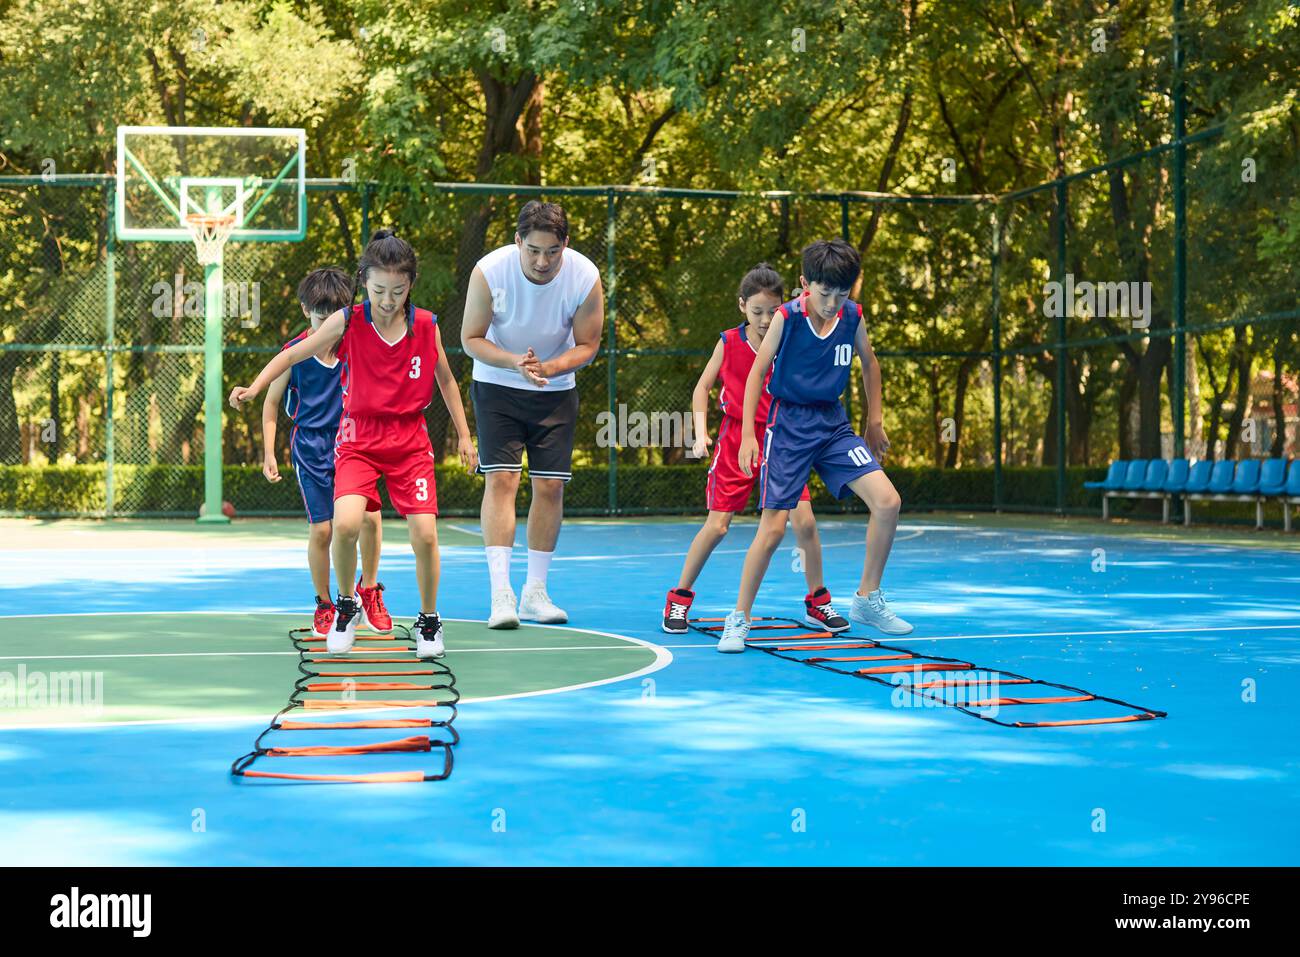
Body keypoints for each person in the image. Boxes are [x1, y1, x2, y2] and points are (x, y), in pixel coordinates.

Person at [230, 229, 477, 658]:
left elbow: (447, 381)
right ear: (364, 282)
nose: (387, 300)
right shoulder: (347, 321)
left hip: (409, 439)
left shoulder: (425, 325)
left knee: (425, 534)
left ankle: (429, 621)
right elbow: (292, 355)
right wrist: (254, 388)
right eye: (379, 289)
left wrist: (465, 436)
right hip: (358, 436)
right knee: (342, 525)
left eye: (397, 291)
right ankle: (345, 605)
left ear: (410, 285)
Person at [719, 239, 913, 653]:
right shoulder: (786, 318)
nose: (832, 301)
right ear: (806, 284)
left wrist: (874, 420)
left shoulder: (852, 316)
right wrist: (750, 436)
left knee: (888, 501)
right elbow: (756, 374)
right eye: (824, 292)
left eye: (842, 292)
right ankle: (739, 618)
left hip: (833, 425)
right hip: (788, 427)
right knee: (772, 530)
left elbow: (870, 363)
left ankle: (867, 599)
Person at [661, 263, 849, 636]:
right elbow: (702, 388)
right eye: (757, 311)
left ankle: (817, 600)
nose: (765, 320)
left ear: (783, 308)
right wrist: (700, 434)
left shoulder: (792, 338)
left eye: (771, 312)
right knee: (717, 527)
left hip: (784, 439)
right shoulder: (729, 342)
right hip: (736, 439)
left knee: (806, 522)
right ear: (742, 306)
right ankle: (679, 598)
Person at [461, 201, 604, 628]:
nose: (543, 262)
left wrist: (549, 368)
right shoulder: (489, 271)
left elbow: (588, 344)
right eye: (534, 250)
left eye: (552, 252)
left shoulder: (585, 276)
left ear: (566, 245)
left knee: (549, 488)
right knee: (502, 480)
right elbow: (470, 338)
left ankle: (534, 594)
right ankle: (501, 594)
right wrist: (513, 363)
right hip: (497, 385)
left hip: (555, 391)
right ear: (518, 241)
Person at [260, 267, 390, 639]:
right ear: (306, 312)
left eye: (335, 317)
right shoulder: (294, 355)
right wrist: (269, 452)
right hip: (312, 447)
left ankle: (368, 590)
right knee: (323, 530)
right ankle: (324, 603)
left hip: (355, 443)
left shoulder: (358, 346)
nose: (328, 324)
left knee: (370, 519)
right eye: (320, 317)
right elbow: (271, 404)